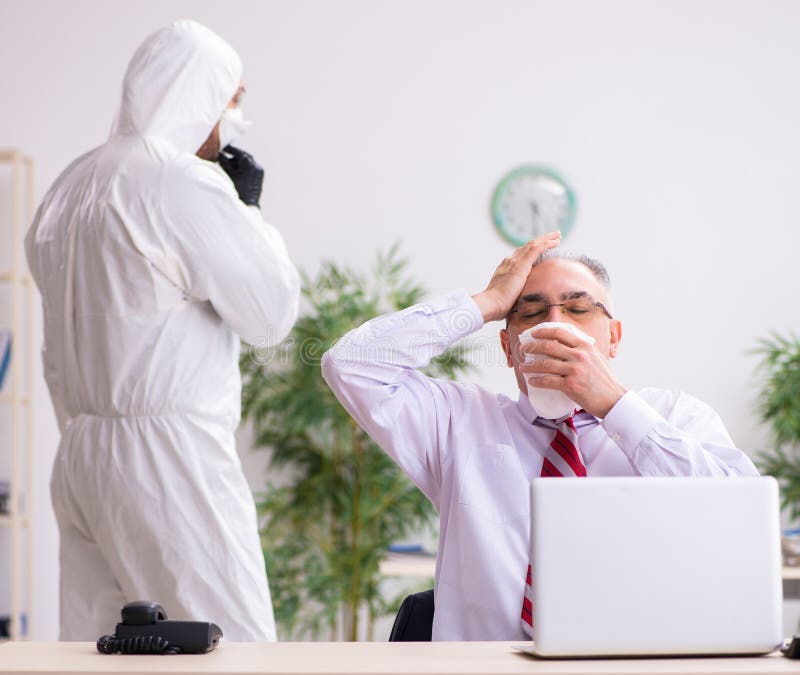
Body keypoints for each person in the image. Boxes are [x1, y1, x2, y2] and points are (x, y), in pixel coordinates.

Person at [321, 231, 758, 641]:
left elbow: (741, 517)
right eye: (530, 312)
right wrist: (487, 303)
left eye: (578, 309)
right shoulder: (460, 423)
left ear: (614, 338)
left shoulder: (675, 415)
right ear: (509, 348)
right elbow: (352, 363)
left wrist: (611, 404)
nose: (554, 324)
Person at [25, 20, 300, 641]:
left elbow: (55, 348)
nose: (235, 122)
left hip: (81, 452)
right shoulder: (179, 181)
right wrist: (247, 211)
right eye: (233, 100)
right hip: (168, 459)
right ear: (200, 94)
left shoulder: (68, 187)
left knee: (102, 645)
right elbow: (269, 316)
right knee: (232, 642)